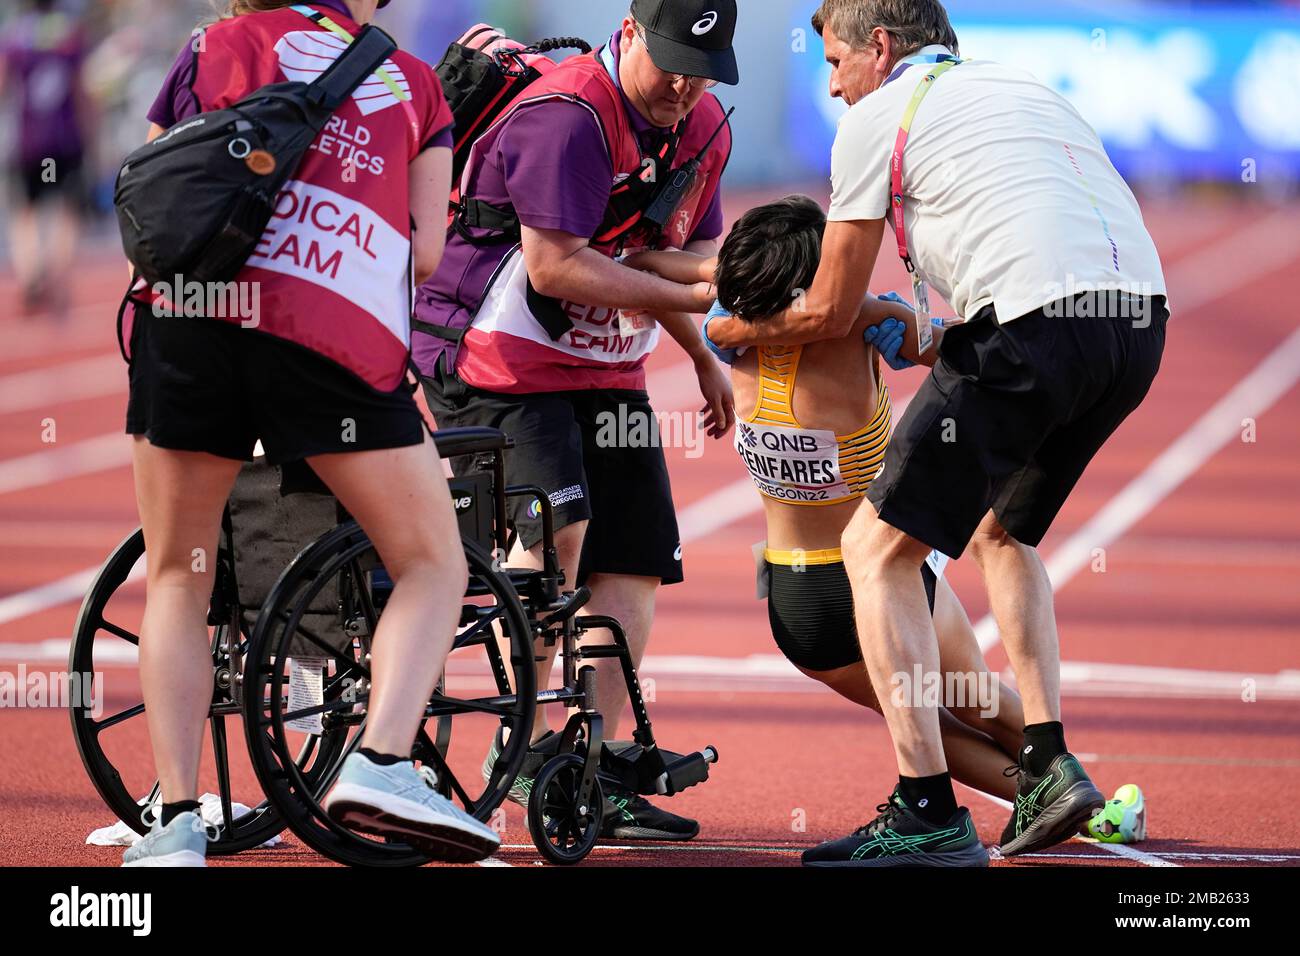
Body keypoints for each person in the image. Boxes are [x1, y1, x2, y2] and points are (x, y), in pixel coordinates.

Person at [707, 0, 1168, 865]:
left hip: (1032, 324)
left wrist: (734, 331)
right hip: (1137, 323)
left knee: (877, 551)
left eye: (837, 60)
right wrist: (922, 332)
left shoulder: (878, 118)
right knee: (1002, 531)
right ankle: (1049, 759)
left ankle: (926, 810)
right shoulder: (1022, 88)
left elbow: (833, 307)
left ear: (880, 49)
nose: (832, 82)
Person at [633, 196, 1148, 864]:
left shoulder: (725, 327)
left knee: (927, 724)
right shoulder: (861, 323)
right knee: (980, 700)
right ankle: (1081, 796)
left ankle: (1063, 804)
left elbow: (668, 269)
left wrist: (640, 256)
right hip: (893, 574)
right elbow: (970, 359)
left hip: (803, 602)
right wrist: (897, 320)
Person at [120, 0, 499, 866]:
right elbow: (429, 253)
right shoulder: (414, 86)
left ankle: (177, 826)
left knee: (179, 575)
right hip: (329, 333)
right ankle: (379, 762)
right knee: (432, 560)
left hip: (193, 321)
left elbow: (148, 184)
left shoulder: (212, 45)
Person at [415, 0, 739, 842]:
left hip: (601, 362)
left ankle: (588, 762)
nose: (682, 84)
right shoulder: (569, 114)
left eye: (701, 69)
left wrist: (705, 348)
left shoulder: (703, 127)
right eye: (668, 58)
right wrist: (694, 298)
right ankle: (514, 747)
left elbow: (671, 252)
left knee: (633, 556)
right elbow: (555, 267)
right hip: (493, 350)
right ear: (628, 32)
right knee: (561, 532)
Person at [0, 0, 91, 320]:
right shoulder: (70, 32)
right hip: (64, 143)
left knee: (25, 212)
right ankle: (57, 275)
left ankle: (31, 271)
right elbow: (81, 90)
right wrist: (91, 132)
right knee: (65, 210)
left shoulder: (15, 34)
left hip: (28, 144)